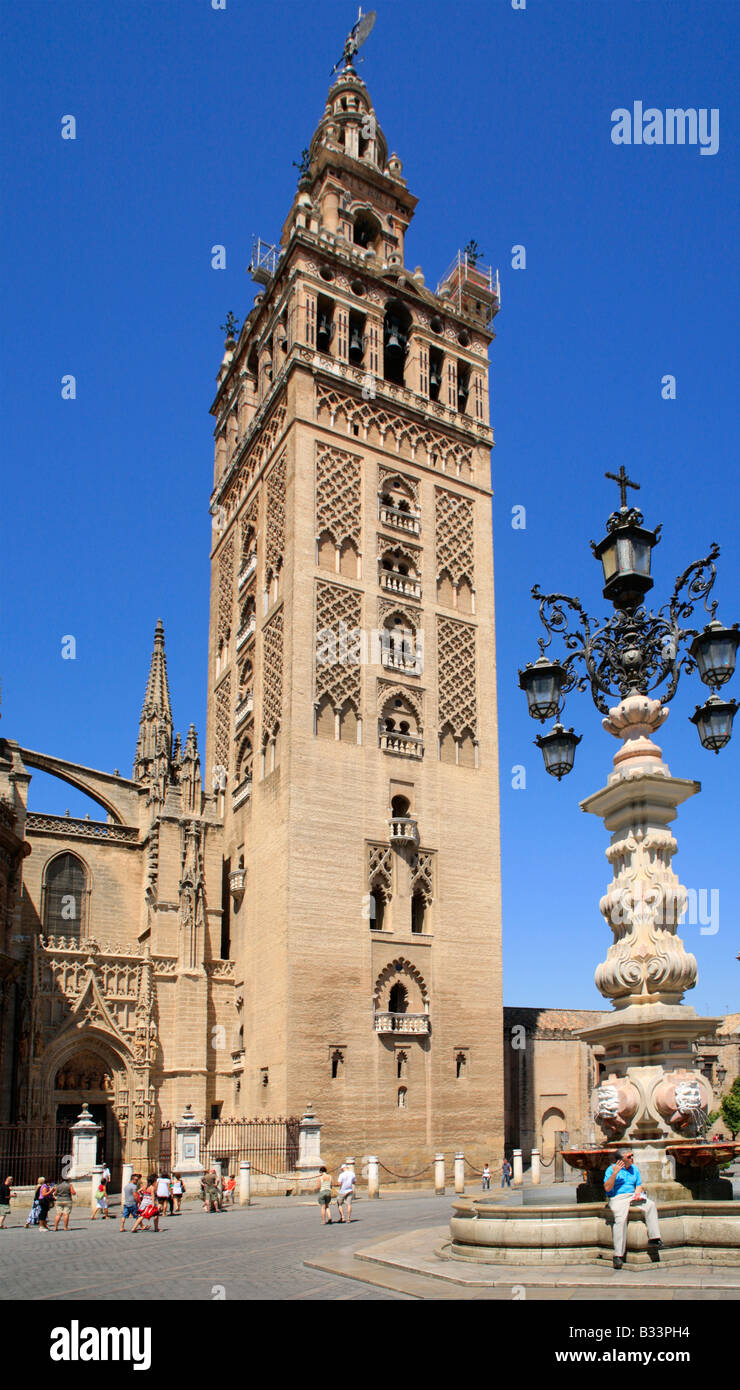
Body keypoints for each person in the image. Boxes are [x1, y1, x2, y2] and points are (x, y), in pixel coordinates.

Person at [604, 1147, 663, 1269]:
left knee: (650, 1205)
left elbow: (638, 1185)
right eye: (629, 1156)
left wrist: (637, 1194)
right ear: (621, 1160)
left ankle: (654, 1238)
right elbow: (607, 1188)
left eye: (632, 1156)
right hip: (618, 1197)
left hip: (632, 1196)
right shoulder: (611, 1170)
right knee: (620, 1220)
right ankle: (618, 1255)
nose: (632, 1158)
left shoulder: (634, 1169)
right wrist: (615, 1173)